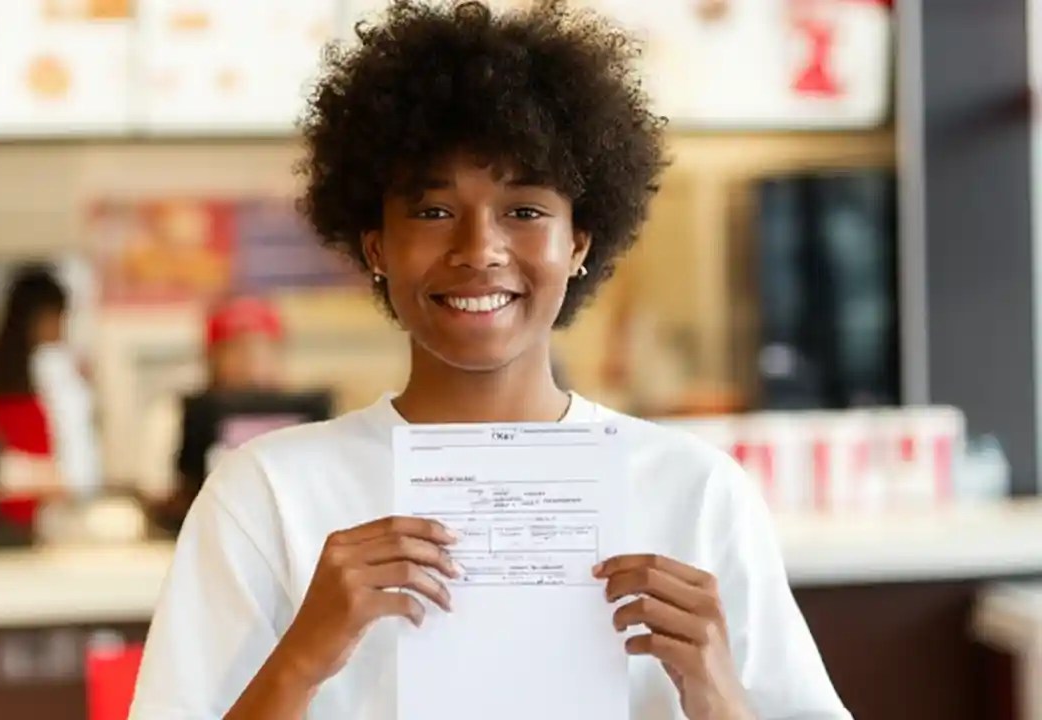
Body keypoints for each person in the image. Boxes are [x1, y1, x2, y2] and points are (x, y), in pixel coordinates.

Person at [131, 3, 848, 719]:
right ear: (376, 245)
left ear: (580, 244)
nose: (478, 250)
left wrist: (717, 691)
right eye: (433, 211)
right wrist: (300, 660)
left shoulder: (696, 494)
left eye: (525, 211)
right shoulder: (267, 497)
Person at [0, 264, 100, 526]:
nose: (60, 328)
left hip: (57, 505)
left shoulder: (68, 371)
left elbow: (80, 446)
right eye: (56, 318)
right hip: (6, 504)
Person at [149, 295, 290, 529]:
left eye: (262, 348)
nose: (251, 362)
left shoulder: (304, 421)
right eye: (237, 349)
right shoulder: (171, 415)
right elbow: (156, 493)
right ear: (211, 357)